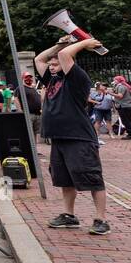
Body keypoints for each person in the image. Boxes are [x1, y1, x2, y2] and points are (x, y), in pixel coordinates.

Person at [35, 35, 109, 236]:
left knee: (92, 178)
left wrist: (85, 43)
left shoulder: (77, 78)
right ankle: (69, 215)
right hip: (59, 137)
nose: (51, 66)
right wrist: (59, 45)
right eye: (51, 65)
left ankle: (101, 219)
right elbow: (39, 59)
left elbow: (65, 55)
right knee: (64, 179)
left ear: (68, 64)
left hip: (79, 137)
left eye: (56, 64)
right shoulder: (52, 80)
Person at [110, 75, 131, 139]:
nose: (114, 81)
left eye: (115, 80)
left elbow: (120, 96)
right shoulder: (124, 86)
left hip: (124, 106)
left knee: (126, 121)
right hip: (128, 106)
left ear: (118, 80)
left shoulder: (121, 87)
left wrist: (110, 93)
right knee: (129, 120)